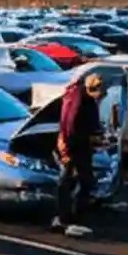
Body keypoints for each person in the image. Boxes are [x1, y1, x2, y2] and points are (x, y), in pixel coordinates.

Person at [51, 73, 107, 238]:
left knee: (83, 180)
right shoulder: (77, 100)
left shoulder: (87, 99)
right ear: (92, 89)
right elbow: (69, 126)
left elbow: (89, 123)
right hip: (74, 146)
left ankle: (73, 214)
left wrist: (97, 135)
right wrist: (67, 151)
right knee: (69, 181)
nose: (101, 97)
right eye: (100, 93)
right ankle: (64, 217)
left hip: (81, 145)